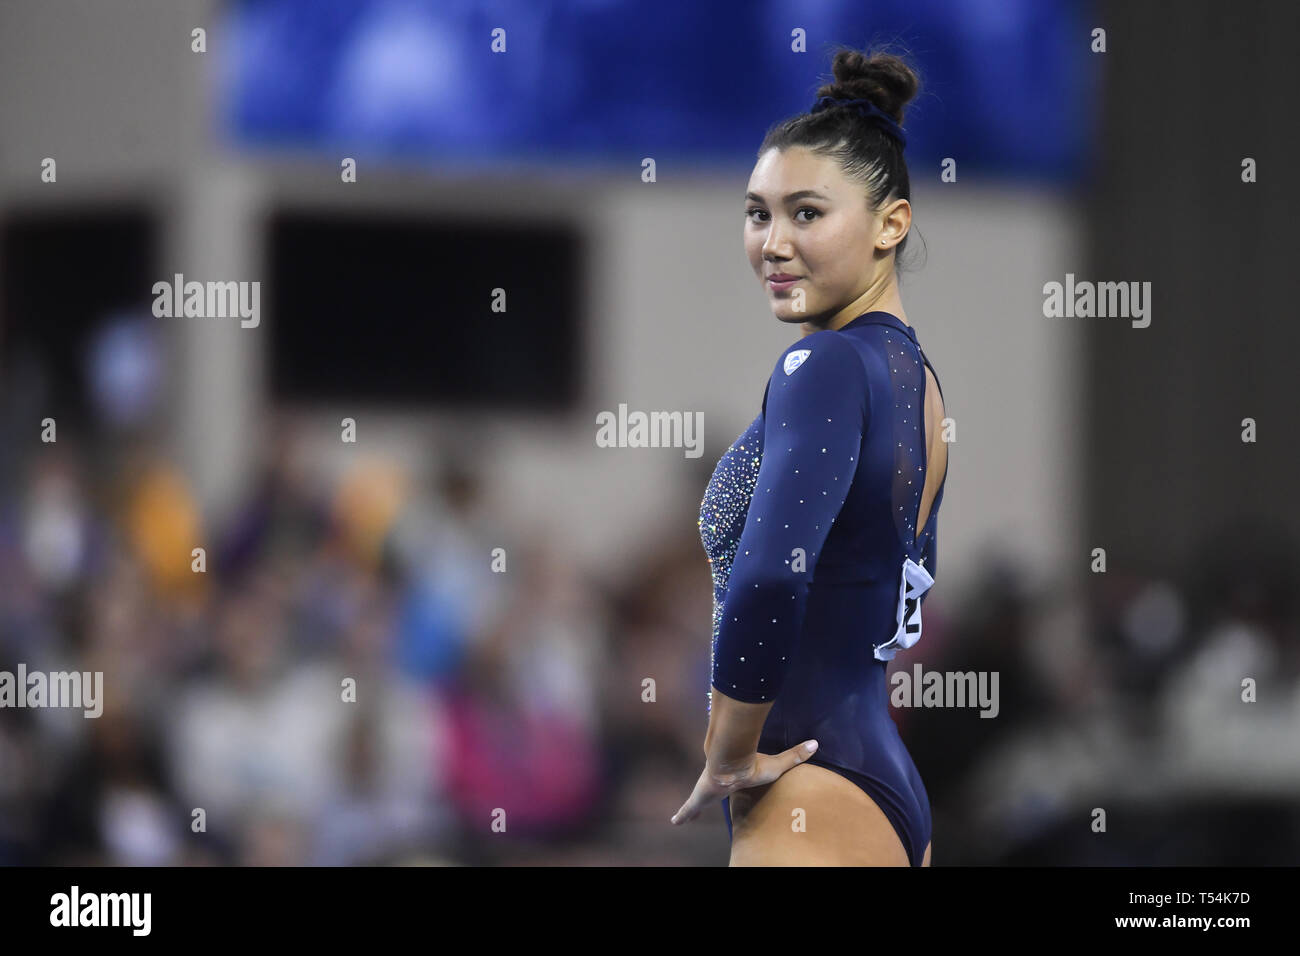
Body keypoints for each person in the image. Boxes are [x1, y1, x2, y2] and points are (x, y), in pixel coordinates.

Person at [671, 47, 947, 866]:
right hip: (869, 773)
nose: (774, 243)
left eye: (807, 214)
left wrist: (729, 751)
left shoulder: (824, 364)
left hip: (806, 786)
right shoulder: (912, 378)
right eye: (758, 215)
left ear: (891, 223)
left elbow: (770, 575)